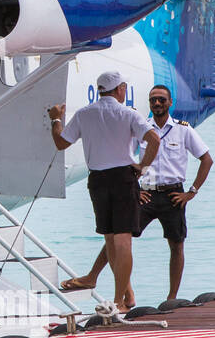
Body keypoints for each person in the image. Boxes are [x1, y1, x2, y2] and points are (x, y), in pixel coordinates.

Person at [47, 71, 160, 312]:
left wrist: (56, 119)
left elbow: (61, 143)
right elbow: (154, 140)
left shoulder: (84, 114)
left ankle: (125, 297)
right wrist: (142, 167)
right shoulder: (128, 113)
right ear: (120, 90)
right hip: (123, 178)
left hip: (97, 180)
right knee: (123, 240)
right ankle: (121, 300)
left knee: (110, 237)